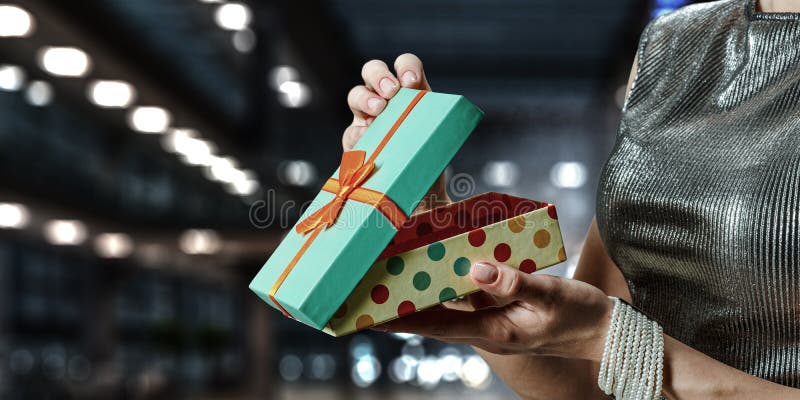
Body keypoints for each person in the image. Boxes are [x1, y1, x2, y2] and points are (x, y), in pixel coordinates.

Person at [340, 0, 800, 398]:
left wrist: (612, 337)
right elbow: (588, 381)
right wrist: (437, 239)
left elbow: (610, 342)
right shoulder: (671, 44)